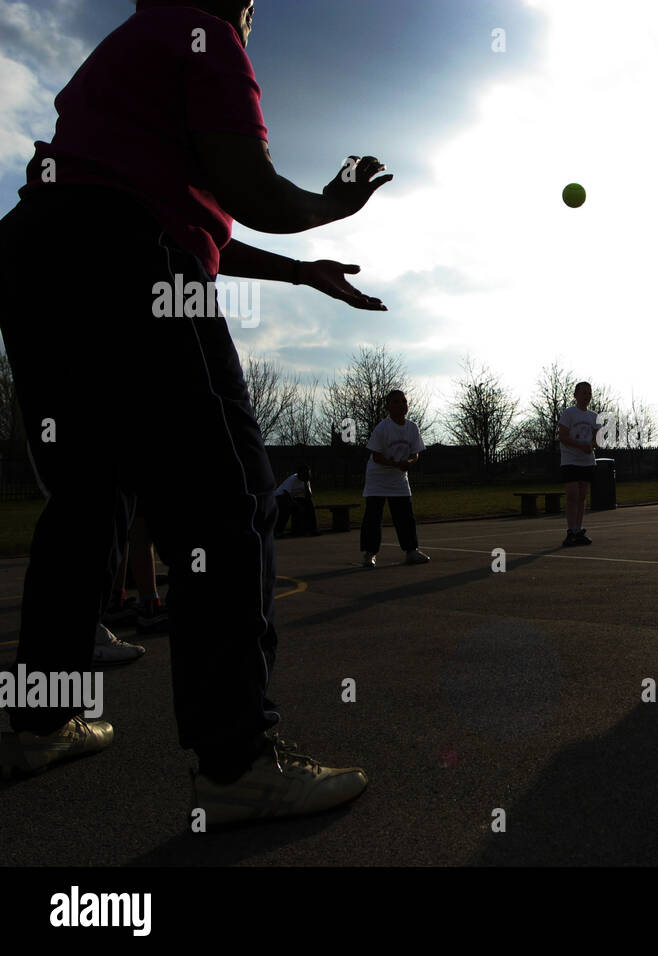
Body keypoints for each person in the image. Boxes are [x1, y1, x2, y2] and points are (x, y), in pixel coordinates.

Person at [0, 0, 387, 823]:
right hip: (128, 259)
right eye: (249, 2)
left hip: (39, 254)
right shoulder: (199, 32)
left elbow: (186, 211)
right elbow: (248, 190)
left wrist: (299, 272)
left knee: (89, 498)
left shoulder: (127, 51)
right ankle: (235, 759)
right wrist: (330, 202)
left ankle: (39, 721)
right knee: (231, 501)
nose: (253, 15)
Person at [361, 391, 429, 567]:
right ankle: (370, 553)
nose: (401, 405)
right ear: (388, 406)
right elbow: (376, 457)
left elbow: (415, 454)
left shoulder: (412, 428)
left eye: (404, 401)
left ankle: (411, 551)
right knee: (373, 517)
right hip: (378, 478)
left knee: (405, 516)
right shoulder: (382, 428)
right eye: (396, 402)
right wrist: (396, 464)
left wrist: (408, 462)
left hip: (398, 479)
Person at [557, 382, 598, 547]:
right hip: (570, 459)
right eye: (583, 393)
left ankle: (578, 529)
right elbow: (563, 436)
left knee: (582, 495)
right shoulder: (568, 413)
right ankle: (571, 530)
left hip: (587, 461)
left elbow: (597, 439)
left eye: (589, 393)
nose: (586, 396)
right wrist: (579, 445)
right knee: (572, 494)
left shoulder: (594, 416)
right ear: (575, 395)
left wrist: (592, 445)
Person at [274, 464, 318, 537]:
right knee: (287, 507)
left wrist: (306, 484)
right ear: (300, 473)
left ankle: (312, 529)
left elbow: (308, 497)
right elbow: (286, 493)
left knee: (310, 503)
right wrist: (295, 504)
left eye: (309, 474)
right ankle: (278, 531)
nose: (308, 476)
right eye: (306, 474)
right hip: (280, 497)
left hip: (292, 497)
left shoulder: (306, 481)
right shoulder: (293, 479)